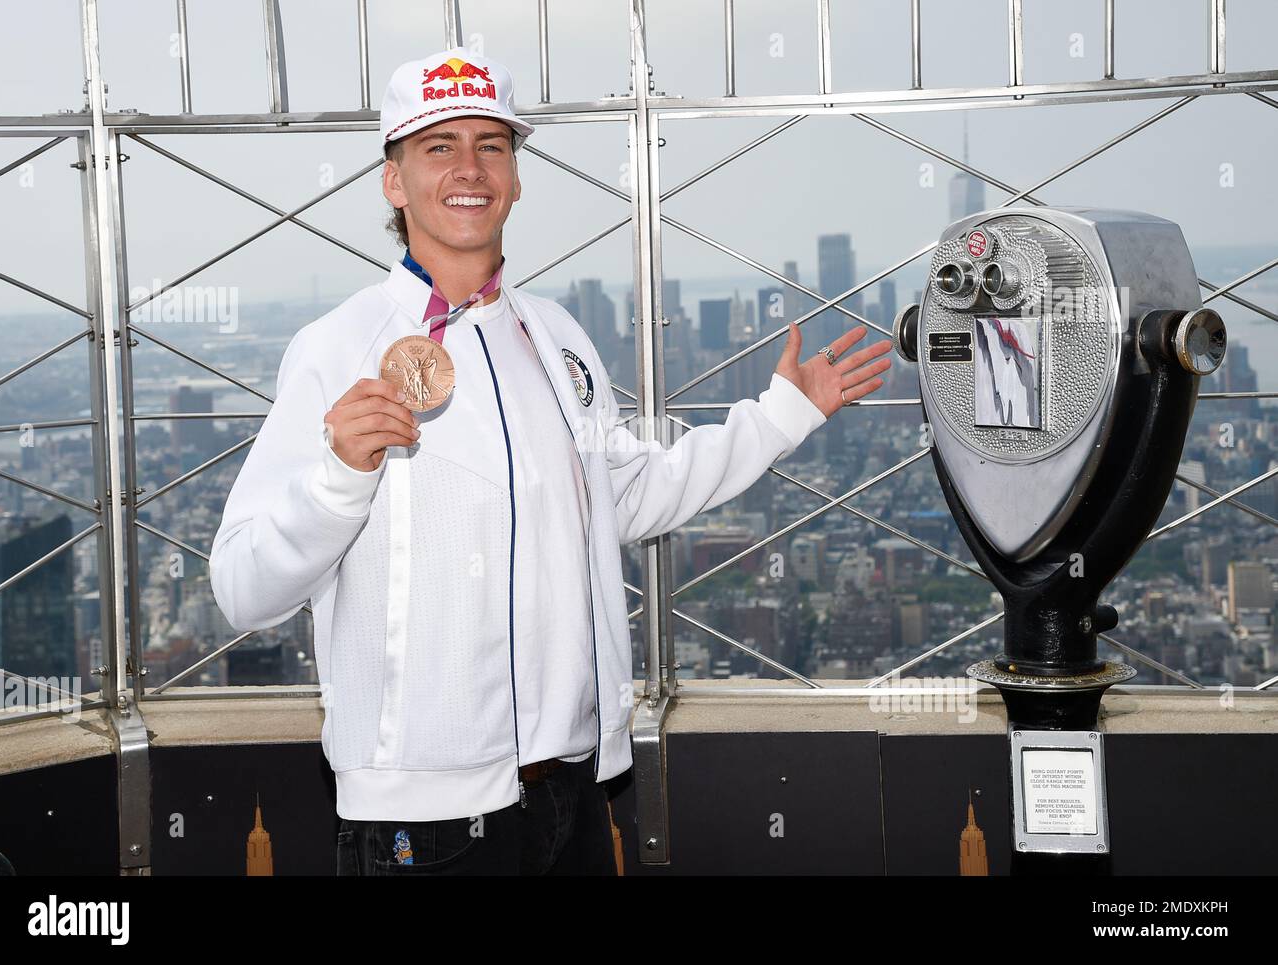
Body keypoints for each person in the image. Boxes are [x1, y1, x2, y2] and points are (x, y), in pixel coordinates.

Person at [209, 46, 892, 876]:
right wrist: (338, 477)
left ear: (517, 176)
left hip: (569, 792)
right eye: (438, 146)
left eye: (491, 145)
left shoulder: (556, 335)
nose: (469, 168)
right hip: (420, 825)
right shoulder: (334, 350)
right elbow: (242, 590)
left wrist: (785, 413)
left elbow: (629, 495)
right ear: (394, 181)